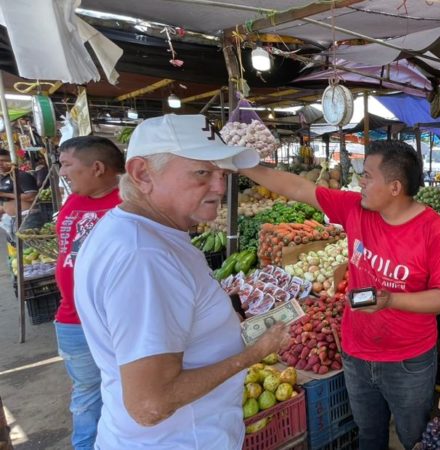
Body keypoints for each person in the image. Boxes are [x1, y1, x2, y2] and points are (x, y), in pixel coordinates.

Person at [73, 114, 290, 449]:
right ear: (143, 174)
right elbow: (150, 405)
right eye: (202, 172)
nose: (220, 187)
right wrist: (254, 354)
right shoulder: (143, 257)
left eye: (222, 173)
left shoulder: (145, 233)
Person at [242, 140, 440, 450]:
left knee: (415, 437)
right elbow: (296, 188)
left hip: (408, 361)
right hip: (357, 354)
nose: (361, 181)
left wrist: (391, 300)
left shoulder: (434, 231)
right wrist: (241, 165)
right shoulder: (355, 209)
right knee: (369, 436)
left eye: (368, 175)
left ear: (395, 187)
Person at [54, 136, 125, 450]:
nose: (62, 172)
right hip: (72, 319)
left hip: (118, 322)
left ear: (97, 167)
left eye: (67, 164)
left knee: (124, 391)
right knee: (85, 396)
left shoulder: (131, 202)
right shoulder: (73, 200)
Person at [0, 149, 46, 235]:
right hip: (14, 219)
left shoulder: (21, 176)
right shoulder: (3, 178)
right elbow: (7, 202)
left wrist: (3, 194)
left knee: (27, 246)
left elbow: (32, 196)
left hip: (28, 217)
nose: (1, 164)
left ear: (11, 161)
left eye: (3, 161)